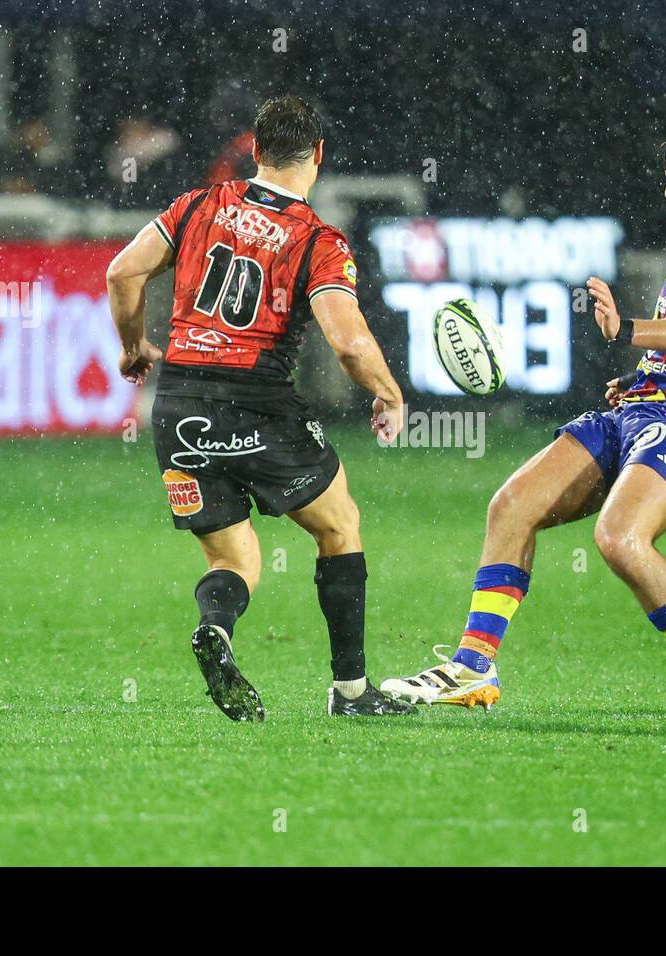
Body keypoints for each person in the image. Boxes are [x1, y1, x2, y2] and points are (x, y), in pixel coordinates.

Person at [383, 121, 666, 717]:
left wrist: (629, 332)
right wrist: (645, 372)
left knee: (620, 538)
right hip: (643, 408)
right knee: (511, 506)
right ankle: (471, 669)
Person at [106, 94, 414, 721]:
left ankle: (216, 628)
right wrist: (389, 392)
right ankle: (351, 692)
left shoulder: (197, 206)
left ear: (255, 150)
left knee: (234, 559)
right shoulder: (316, 239)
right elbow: (350, 343)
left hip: (180, 402)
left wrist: (135, 345)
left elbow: (121, 273)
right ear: (318, 156)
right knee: (338, 525)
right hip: (257, 402)